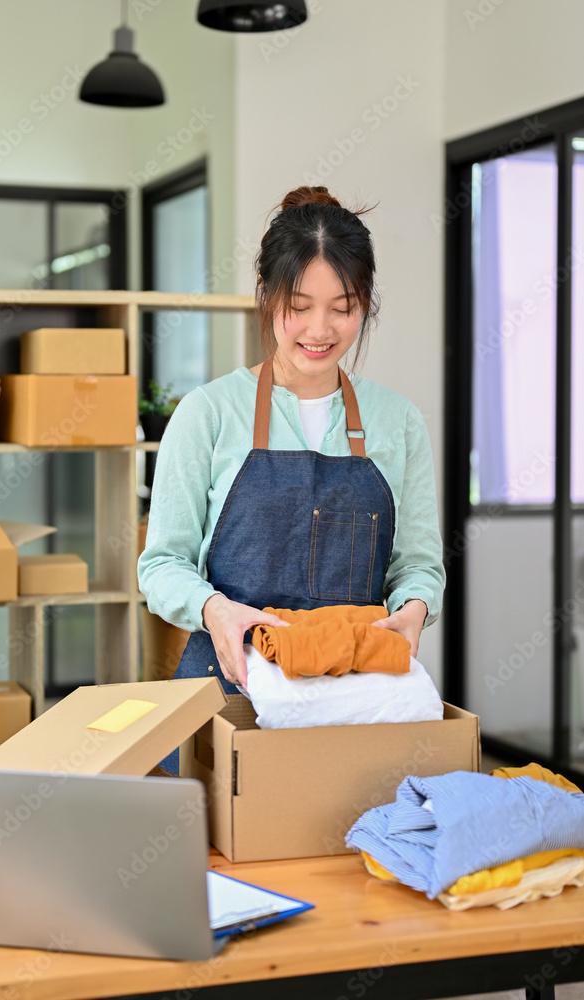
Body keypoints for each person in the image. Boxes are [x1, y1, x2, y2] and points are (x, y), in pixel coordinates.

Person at [138, 185, 445, 707]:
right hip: (226, 691)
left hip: (355, 696)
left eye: (342, 308)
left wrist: (414, 605)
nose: (319, 330)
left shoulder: (399, 422)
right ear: (266, 290)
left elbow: (417, 564)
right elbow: (162, 564)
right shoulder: (208, 414)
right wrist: (213, 609)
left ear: (365, 305)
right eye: (298, 307)